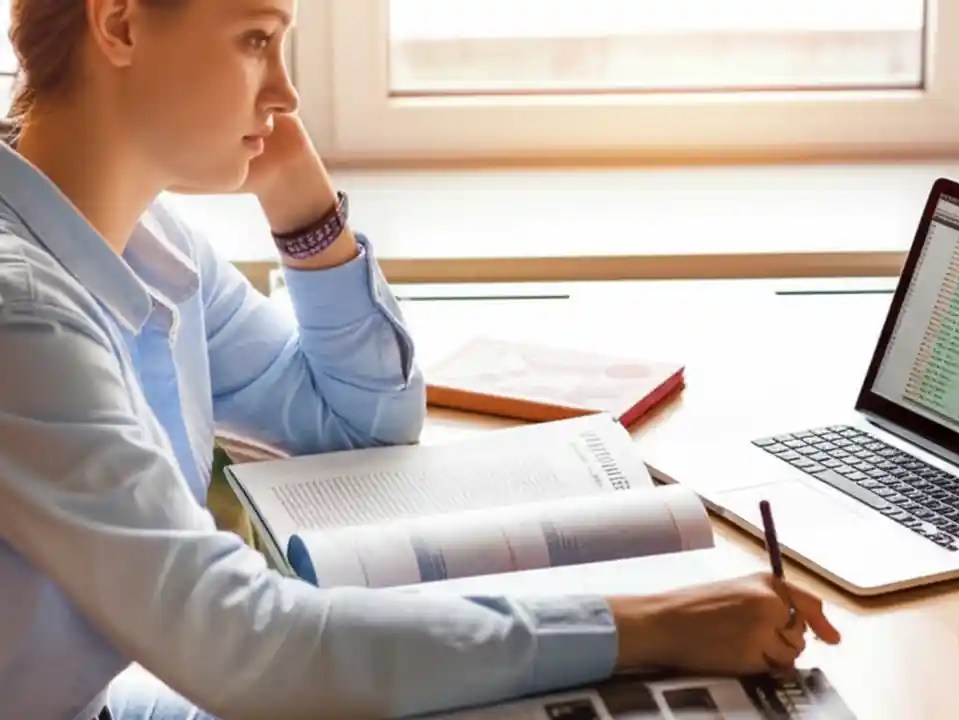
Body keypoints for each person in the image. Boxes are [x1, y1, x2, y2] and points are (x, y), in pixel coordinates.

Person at [0, 1, 842, 718]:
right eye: (256, 39)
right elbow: (245, 644)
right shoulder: (24, 320)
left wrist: (305, 210)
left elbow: (358, 422)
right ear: (118, 22)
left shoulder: (150, 249)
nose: (285, 92)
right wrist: (645, 624)